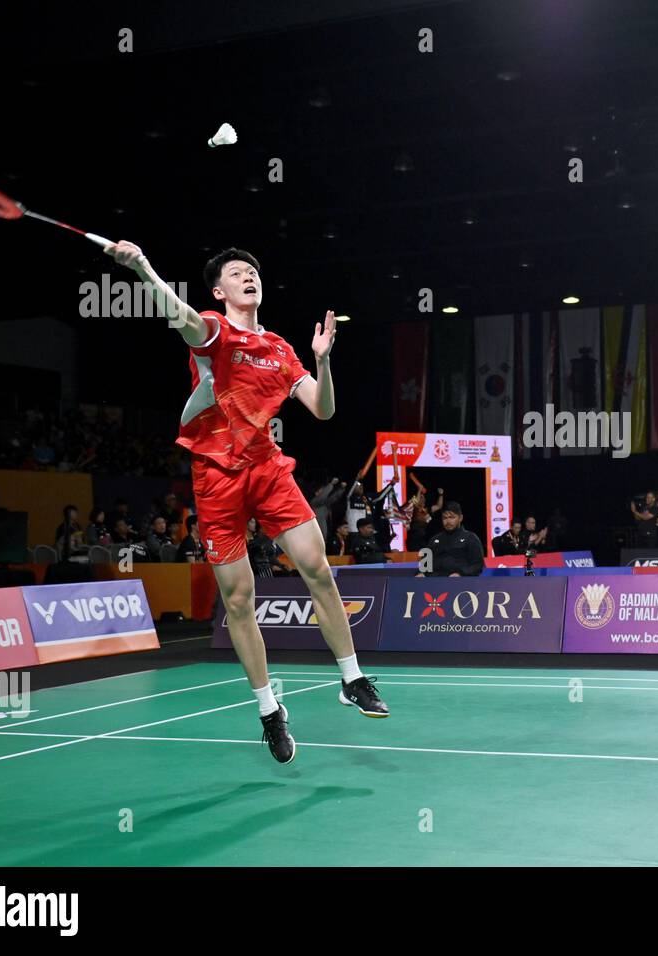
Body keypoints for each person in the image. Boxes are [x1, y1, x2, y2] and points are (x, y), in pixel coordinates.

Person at [103, 239, 387, 764]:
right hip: (215, 478)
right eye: (237, 273)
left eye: (252, 271)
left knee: (317, 567)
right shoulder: (213, 330)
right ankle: (269, 712)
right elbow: (180, 315)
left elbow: (322, 411)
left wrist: (322, 363)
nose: (248, 277)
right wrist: (143, 266)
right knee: (238, 599)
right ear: (220, 289)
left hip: (266, 468)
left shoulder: (280, 348)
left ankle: (352, 679)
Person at [419, 502, 484, 577]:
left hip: (460, 583)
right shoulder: (434, 540)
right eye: (445, 518)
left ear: (460, 518)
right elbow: (424, 565)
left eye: (452, 517)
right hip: (435, 582)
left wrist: (460, 574)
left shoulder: (470, 538)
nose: (448, 521)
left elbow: (477, 565)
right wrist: (421, 573)